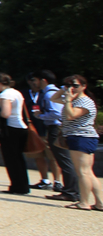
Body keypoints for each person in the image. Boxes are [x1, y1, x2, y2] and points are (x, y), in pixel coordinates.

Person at [27, 70, 77, 202]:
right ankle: (71, 190)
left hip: (55, 128)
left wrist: (40, 116)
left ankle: (71, 191)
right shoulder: (49, 93)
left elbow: (56, 113)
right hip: (54, 128)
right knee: (63, 159)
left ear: (43, 80)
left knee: (63, 160)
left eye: (35, 80)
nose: (33, 83)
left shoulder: (50, 93)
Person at [53, 75, 101, 211]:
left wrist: (68, 101)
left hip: (81, 137)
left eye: (75, 85)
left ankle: (84, 202)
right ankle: (100, 202)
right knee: (88, 172)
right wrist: (65, 90)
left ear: (84, 86)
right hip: (79, 137)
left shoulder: (84, 102)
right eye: (68, 85)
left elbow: (71, 115)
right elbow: (53, 98)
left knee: (83, 172)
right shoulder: (74, 99)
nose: (71, 88)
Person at [0, 72, 30, 195]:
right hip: (20, 127)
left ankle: (17, 186)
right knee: (18, 158)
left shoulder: (5, 95)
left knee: (11, 159)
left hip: (11, 129)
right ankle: (22, 185)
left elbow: (6, 113)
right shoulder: (16, 92)